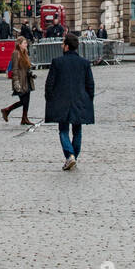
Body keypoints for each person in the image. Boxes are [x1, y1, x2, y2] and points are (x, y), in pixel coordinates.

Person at [43, 32, 95, 170]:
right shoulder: (84, 63)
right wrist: (89, 99)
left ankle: (70, 156)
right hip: (80, 101)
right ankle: (73, 157)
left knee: (63, 130)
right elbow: (90, 84)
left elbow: (50, 83)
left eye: (63, 43)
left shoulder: (57, 62)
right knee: (77, 131)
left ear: (66, 46)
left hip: (61, 101)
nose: (61, 46)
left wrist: (49, 98)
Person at [1, 37, 35, 125]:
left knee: (27, 100)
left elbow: (27, 67)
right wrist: (16, 81)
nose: (26, 45)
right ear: (19, 44)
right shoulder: (16, 53)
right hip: (20, 80)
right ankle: (7, 110)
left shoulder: (25, 52)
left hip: (27, 79)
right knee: (23, 100)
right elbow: (14, 68)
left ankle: (24, 118)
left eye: (26, 43)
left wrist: (31, 73)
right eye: (24, 43)